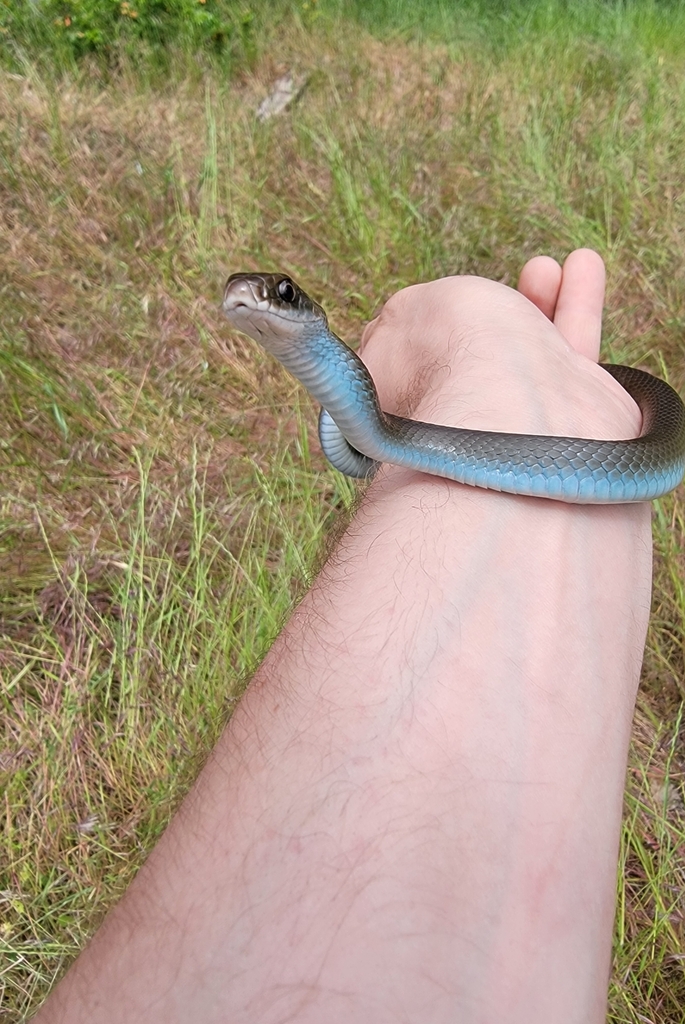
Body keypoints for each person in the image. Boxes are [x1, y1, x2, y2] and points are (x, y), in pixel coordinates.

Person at [34, 249, 651, 1023]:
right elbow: (365, 432)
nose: (258, 299)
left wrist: (491, 366)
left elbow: (364, 431)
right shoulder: (347, 388)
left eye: (282, 293)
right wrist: (495, 371)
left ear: (310, 312)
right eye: (249, 293)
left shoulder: (350, 374)